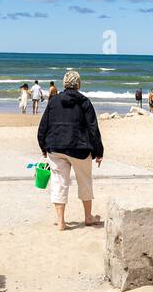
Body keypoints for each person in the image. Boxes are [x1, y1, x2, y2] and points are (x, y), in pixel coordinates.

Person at [37, 69, 105, 232]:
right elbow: (93, 128)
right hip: (80, 148)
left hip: (56, 147)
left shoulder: (53, 101)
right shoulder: (85, 102)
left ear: (64, 84)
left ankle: (61, 222)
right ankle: (88, 217)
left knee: (59, 183)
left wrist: (43, 147)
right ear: (78, 84)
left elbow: (43, 126)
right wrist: (99, 151)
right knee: (85, 181)